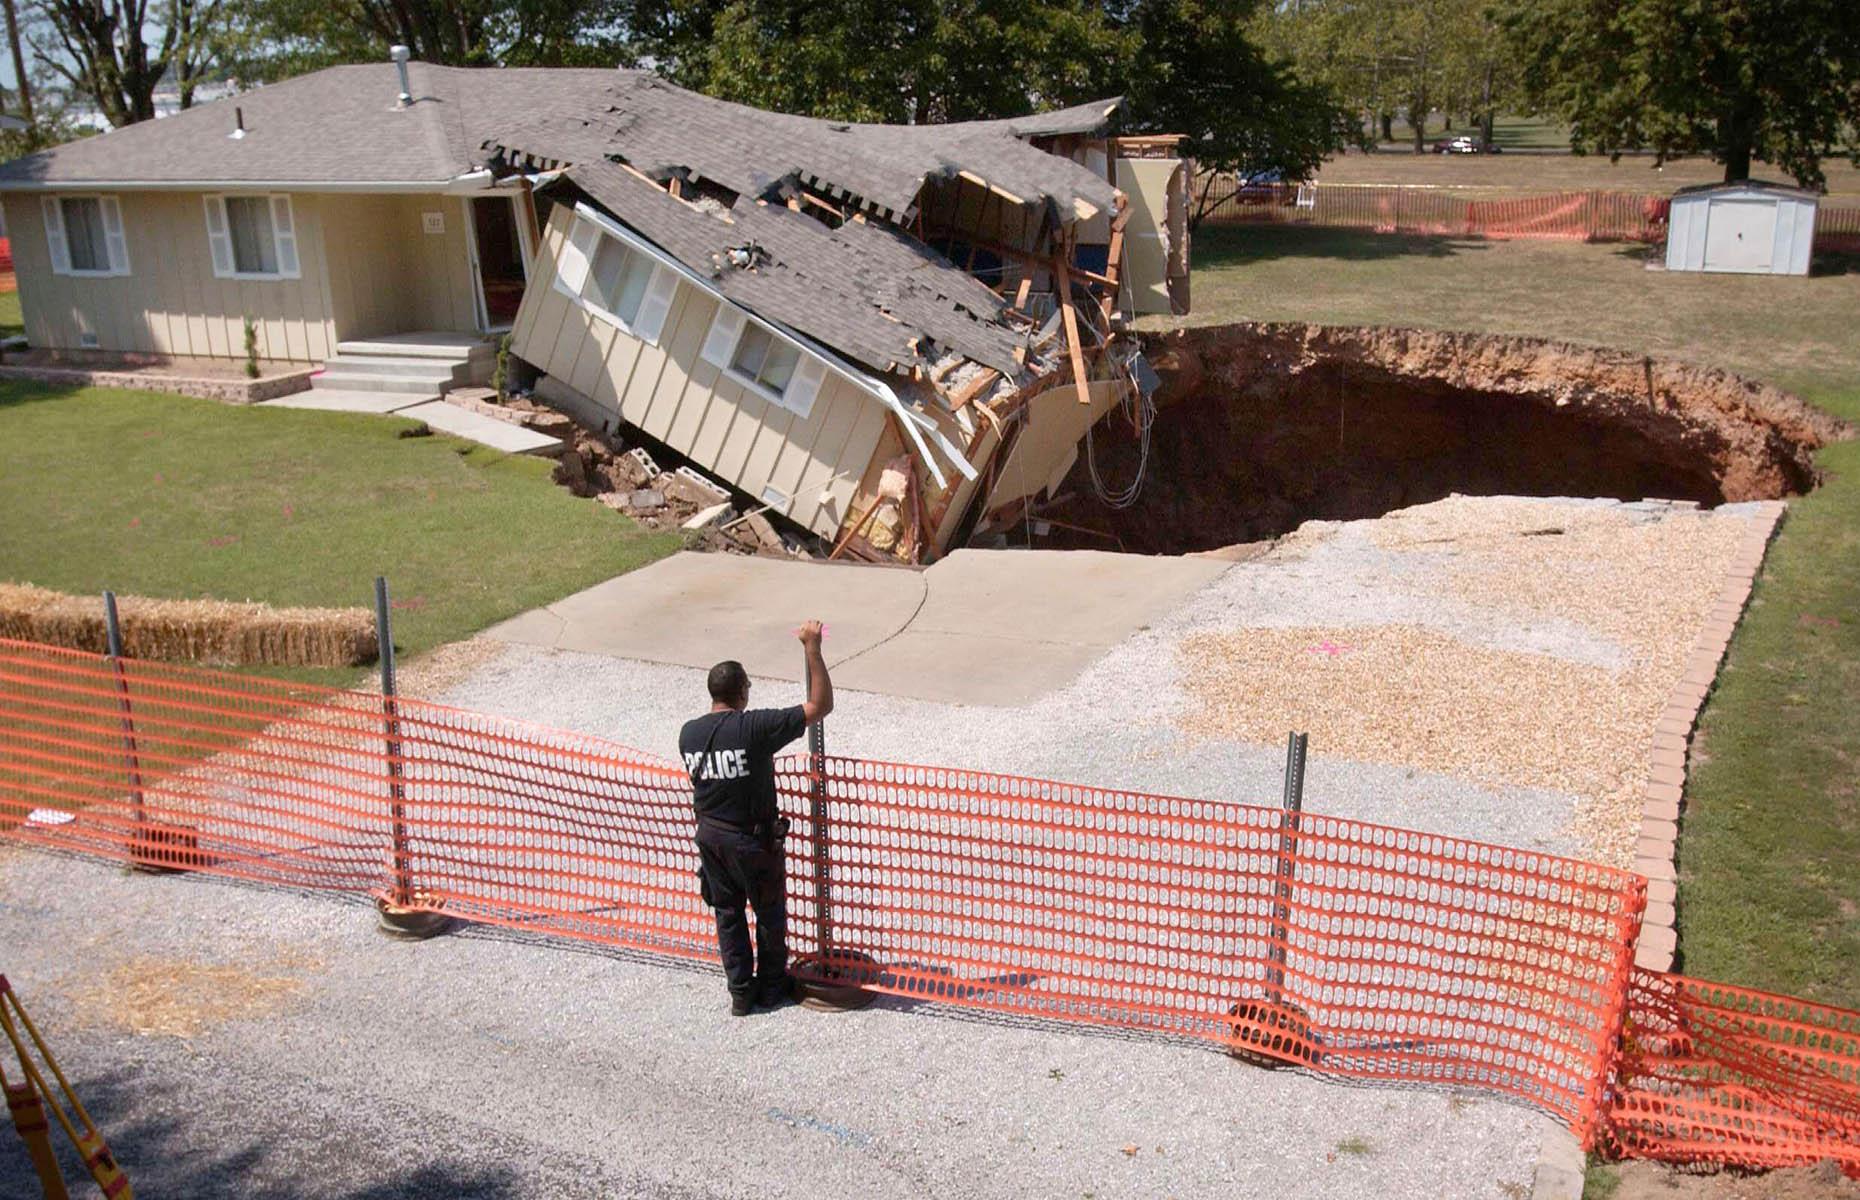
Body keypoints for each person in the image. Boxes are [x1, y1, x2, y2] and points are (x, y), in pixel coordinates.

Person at [679, 620, 833, 1016]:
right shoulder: (754, 728)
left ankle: (740, 993)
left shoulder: (689, 735)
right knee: (768, 913)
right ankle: (771, 987)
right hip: (751, 840)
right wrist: (812, 647)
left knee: (727, 915)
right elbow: (820, 706)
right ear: (743, 691)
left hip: (710, 839)